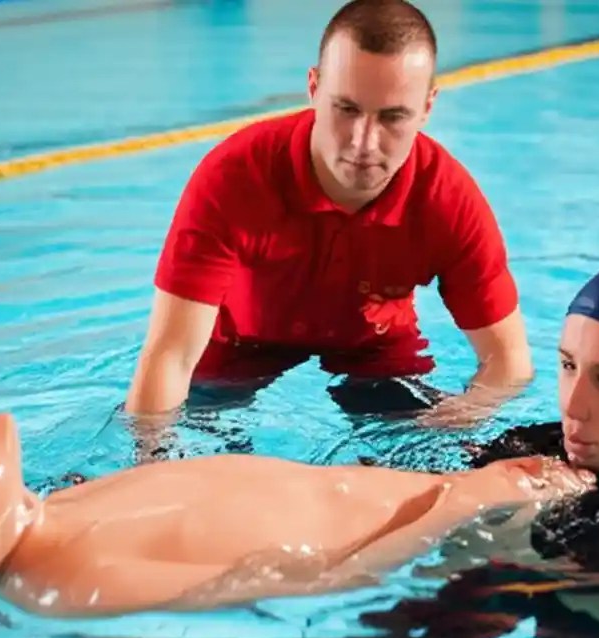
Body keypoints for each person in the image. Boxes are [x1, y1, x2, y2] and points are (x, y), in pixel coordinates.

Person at [63, 258, 599, 638]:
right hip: (497, 575)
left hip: (595, 624)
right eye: (568, 366)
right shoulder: (529, 446)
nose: (573, 405)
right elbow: (417, 512)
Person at [124, 0, 531, 453]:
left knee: (433, 464)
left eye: (393, 117)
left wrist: (453, 422)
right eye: (347, 109)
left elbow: (508, 361)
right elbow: (171, 355)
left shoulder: (448, 200)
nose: (363, 142)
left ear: (427, 107)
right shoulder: (235, 178)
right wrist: (150, 463)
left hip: (372, 349)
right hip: (238, 345)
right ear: (314, 88)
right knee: (180, 447)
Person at [0, 400, 595, 618]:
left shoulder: (56, 511)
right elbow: (320, 581)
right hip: (476, 531)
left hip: (445, 493)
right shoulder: (78, 580)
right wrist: (473, 499)